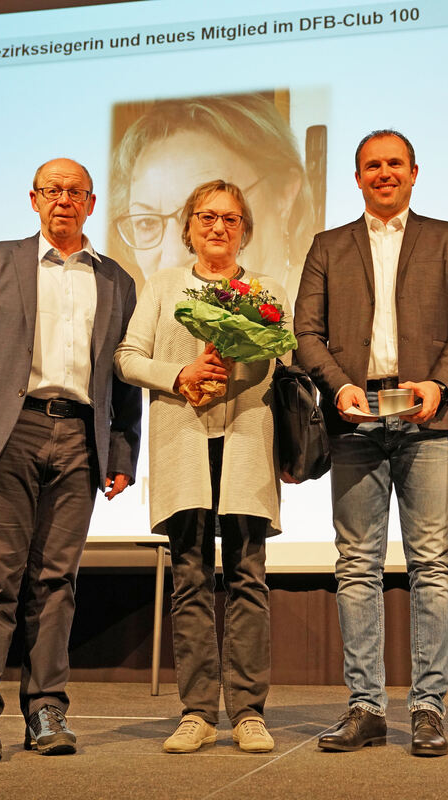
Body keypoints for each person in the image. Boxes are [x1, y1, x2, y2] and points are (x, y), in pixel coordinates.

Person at [0, 158, 142, 762]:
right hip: (10, 431)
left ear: (91, 203)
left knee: (58, 580)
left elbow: (123, 379)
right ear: (33, 199)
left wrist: (122, 448)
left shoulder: (116, 280)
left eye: (75, 193)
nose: (64, 201)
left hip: (80, 436)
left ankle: (46, 705)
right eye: (53, 191)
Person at [294, 130, 448, 757]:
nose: (384, 173)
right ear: (357, 178)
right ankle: (366, 707)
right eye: (372, 166)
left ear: (414, 172)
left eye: (394, 164)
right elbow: (306, 332)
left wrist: (442, 381)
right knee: (356, 566)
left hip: (427, 413)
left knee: (431, 563)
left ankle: (428, 709)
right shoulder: (327, 246)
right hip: (355, 415)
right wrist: (339, 386)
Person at [114, 179, 289, 755]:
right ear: (188, 226)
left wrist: (248, 344)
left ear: (244, 229)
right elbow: (126, 358)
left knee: (247, 578)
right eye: (207, 218)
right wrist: (179, 375)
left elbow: (284, 359)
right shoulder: (163, 287)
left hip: (244, 441)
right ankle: (196, 712)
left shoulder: (267, 291)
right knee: (190, 578)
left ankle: (247, 711)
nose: (218, 227)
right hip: (184, 442)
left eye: (231, 219)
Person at [109, 92, 317, 299]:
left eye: (208, 214)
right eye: (147, 223)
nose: (172, 259)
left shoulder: (325, 309)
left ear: (284, 196)